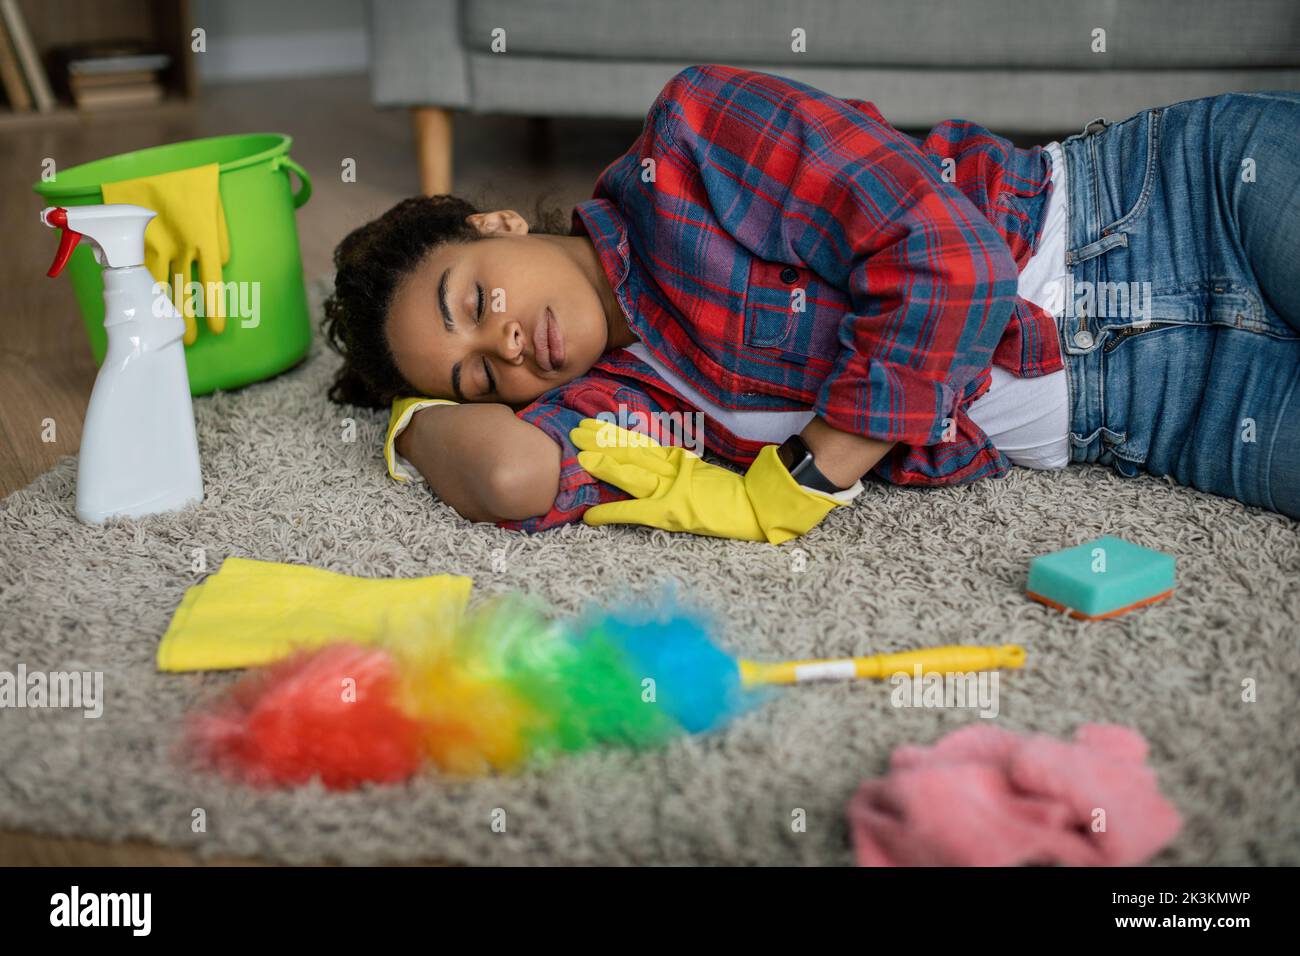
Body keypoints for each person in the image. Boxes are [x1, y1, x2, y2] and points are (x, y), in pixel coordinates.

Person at [322, 64, 1300, 542]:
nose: (506, 344)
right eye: (479, 372)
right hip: (1173, 412)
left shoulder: (696, 138)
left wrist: (810, 471)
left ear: (496, 224)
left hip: (1184, 199)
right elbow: (506, 480)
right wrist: (411, 416)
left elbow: (952, 256)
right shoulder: (622, 405)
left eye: (475, 299)